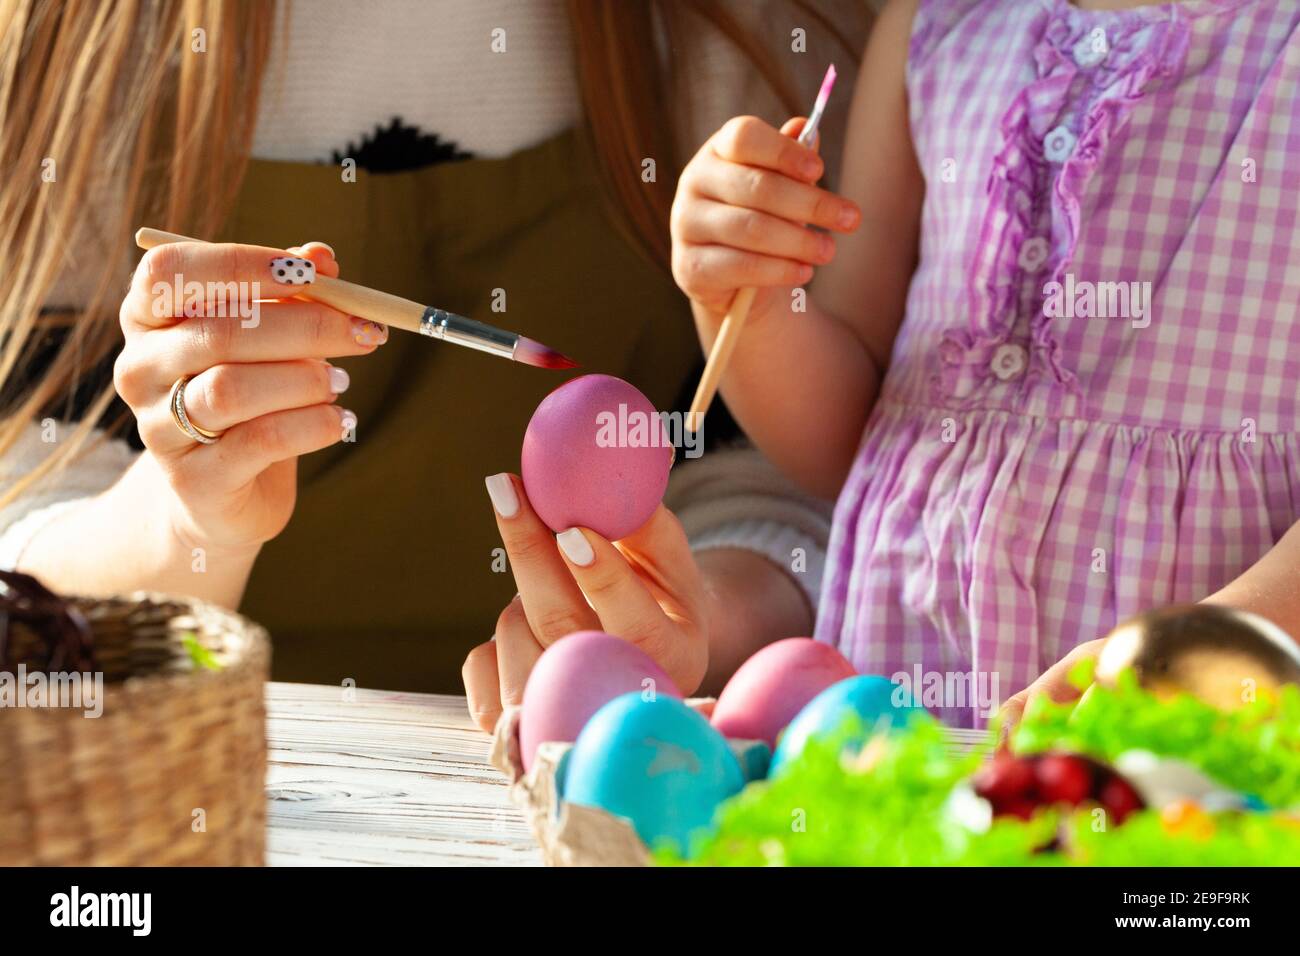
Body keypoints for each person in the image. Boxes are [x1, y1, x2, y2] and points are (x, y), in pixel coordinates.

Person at [0, 0, 868, 702]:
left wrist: (681, 631)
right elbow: (26, 575)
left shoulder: (746, 29)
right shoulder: (85, 39)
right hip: (215, 765)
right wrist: (185, 524)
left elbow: (821, 482)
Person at [664, 0, 1300, 726]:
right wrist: (745, 301)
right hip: (898, 678)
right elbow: (844, 439)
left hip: (1196, 725)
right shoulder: (936, 20)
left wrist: (1222, 641)